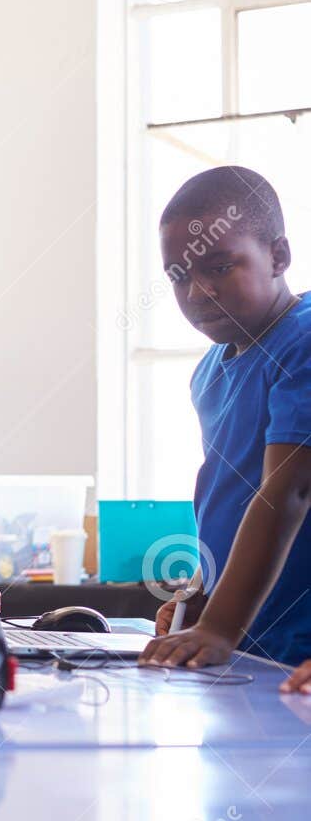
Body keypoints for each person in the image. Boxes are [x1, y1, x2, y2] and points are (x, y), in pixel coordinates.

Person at [140, 166, 311, 670]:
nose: (196, 293)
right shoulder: (209, 374)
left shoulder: (303, 343)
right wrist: (200, 600)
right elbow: (226, 501)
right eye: (178, 276)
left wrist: (218, 626)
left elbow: (290, 490)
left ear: (278, 256)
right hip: (250, 653)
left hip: (299, 658)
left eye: (218, 267)